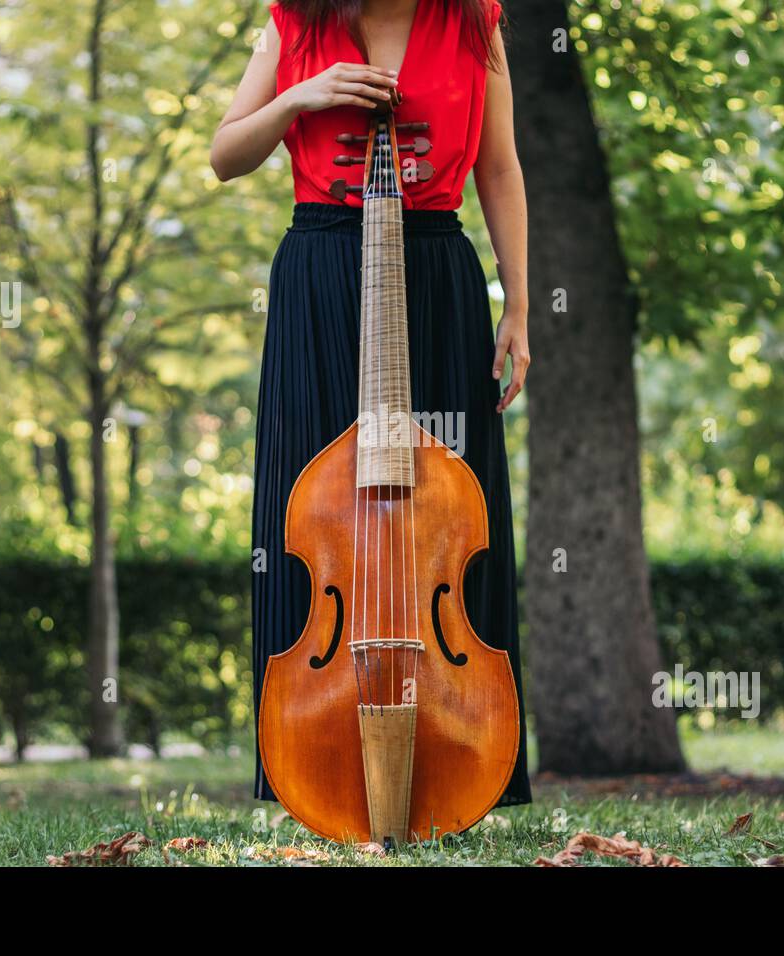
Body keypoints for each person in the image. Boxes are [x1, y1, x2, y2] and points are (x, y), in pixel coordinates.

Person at [212, 0, 531, 809]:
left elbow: (498, 166)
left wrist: (519, 307)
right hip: (321, 274)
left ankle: (460, 755)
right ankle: (308, 762)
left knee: (446, 520)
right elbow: (224, 154)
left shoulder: (473, 21)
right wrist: (298, 99)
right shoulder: (294, 21)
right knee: (312, 512)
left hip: (434, 273)